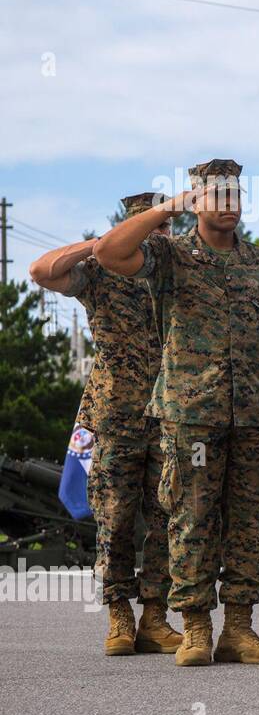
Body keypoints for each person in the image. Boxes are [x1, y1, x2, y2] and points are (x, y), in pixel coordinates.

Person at [94, 160, 259, 666]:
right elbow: (109, 252)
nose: (228, 205)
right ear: (199, 201)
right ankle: (196, 628)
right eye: (217, 195)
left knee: (248, 526)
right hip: (192, 413)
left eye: (235, 195)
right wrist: (170, 206)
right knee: (192, 521)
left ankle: (240, 629)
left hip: (256, 414)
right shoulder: (171, 256)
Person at [28, 192, 181, 656]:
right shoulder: (98, 272)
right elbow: (40, 271)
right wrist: (97, 243)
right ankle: (119, 615)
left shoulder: (178, 273)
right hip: (114, 414)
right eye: (149, 227)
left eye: (164, 228)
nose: (158, 236)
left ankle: (155, 617)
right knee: (113, 519)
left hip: (170, 412)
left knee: (165, 517)